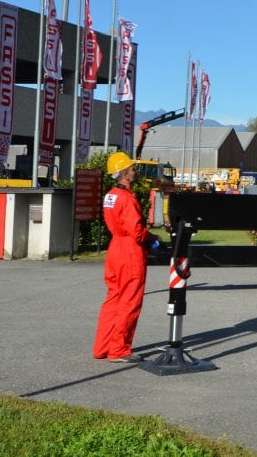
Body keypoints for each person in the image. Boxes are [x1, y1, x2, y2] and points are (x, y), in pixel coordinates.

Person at [93, 152, 152, 363]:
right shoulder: (127, 198)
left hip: (115, 249)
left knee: (113, 298)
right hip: (129, 251)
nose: (135, 171)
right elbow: (136, 231)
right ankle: (119, 350)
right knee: (129, 300)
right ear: (125, 174)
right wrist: (152, 238)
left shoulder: (110, 196)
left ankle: (102, 347)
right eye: (132, 169)